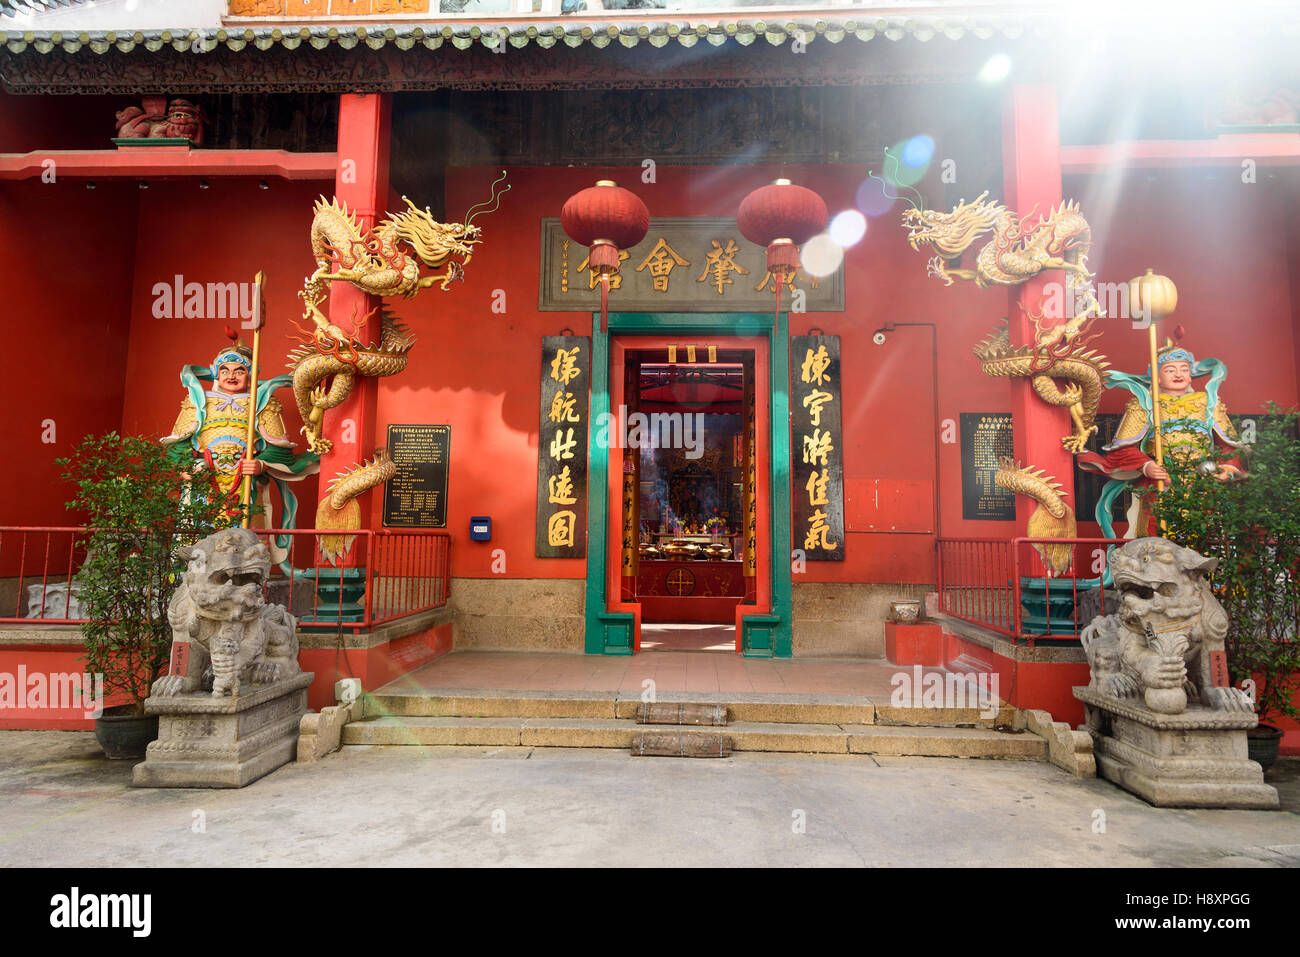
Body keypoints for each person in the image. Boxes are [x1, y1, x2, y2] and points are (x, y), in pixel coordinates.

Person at [1078, 340, 1244, 537]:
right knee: (1158, 547)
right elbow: (1122, 451)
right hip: (1161, 486)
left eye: (1184, 369)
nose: (1178, 374)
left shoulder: (1209, 404)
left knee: (1205, 544)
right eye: (1170, 370)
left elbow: (1230, 448)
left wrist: (1227, 470)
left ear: (1191, 376)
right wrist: (1147, 466)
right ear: (1156, 377)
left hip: (1203, 485)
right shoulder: (1144, 405)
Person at [162, 340, 318, 536]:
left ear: (251, 374)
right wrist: (189, 468)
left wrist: (261, 465)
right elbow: (176, 447)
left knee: (246, 545)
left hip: (246, 483)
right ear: (216, 373)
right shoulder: (196, 402)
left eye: (239, 371)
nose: (231, 376)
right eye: (225, 370)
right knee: (199, 543)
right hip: (205, 480)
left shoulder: (263, 403)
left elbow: (280, 451)